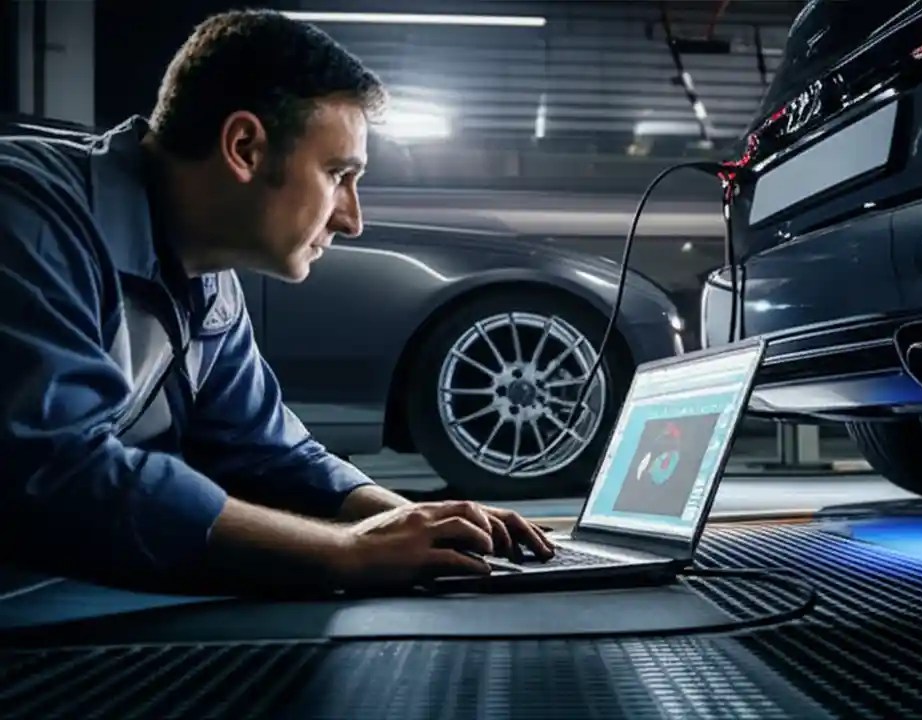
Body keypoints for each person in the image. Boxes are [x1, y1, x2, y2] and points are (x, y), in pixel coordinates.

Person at [0, 10, 553, 596]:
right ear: (245, 147)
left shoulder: (210, 280)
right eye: (339, 174)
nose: (352, 218)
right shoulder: (26, 220)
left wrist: (422, 525)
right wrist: (345, 554)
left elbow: (267, 452)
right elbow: (57, 472)